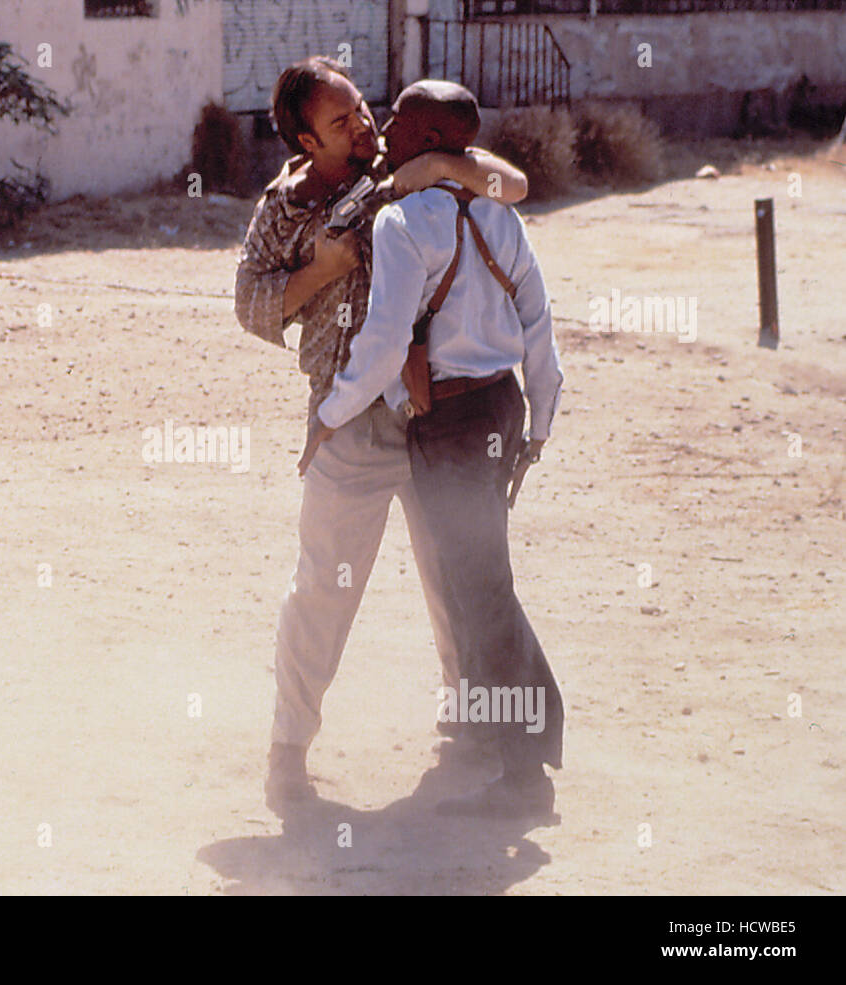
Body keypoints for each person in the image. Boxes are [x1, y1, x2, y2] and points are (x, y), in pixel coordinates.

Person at [234, 57, 530, 812]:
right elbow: (253, 304)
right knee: (322, 590)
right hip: (348, 422)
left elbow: (512, 186)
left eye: (364, 110)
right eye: (343, 122)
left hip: (440, 422)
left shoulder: (409, 173)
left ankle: (475, 736)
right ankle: (288, 750)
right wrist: (321, 268)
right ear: (306, 139)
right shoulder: (283, 210)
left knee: (454, 585)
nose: (365, 127)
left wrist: (437, 160)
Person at [301, 79, 564, 818]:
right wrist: (540, 420)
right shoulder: (499, 216)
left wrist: (331, 410)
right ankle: (508, 741)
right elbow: (538, 322)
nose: (381, 127)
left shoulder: (402, 223)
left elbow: (384, 345)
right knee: (478, 585)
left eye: (397, 121)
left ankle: (526, 770)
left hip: (448, 426)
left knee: (480, 592)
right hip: (501, 407)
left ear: (422, 141)